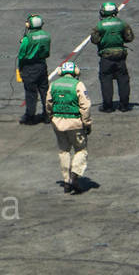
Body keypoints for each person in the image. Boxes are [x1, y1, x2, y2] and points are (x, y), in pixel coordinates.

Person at [45, 61, 93, 194]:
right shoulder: (78, 85)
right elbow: (85, 106)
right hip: (75, 123)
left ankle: (66, 181)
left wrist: (51, 117)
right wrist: (87, 123)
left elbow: (48, 103)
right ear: (75, 72)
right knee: (81, 150)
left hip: (58, 123)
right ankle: (75, 173)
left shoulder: (53, 85)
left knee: (63, 151)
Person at [89, 1, 133, 112]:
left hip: (106, 57)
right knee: (123, 80)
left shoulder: (100, 26)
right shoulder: (122, 24)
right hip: (120, 56)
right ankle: (124, 105)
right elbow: (129, 38)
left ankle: (108, 106)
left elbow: (94, 40)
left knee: (106, 80)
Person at [17, 14, 50, 125]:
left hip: (29, 68)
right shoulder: (46, 35)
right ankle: (47, 115)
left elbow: (21, 55)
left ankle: (30, 116)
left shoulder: (27, 39)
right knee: (44, 91)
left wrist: (20, 68)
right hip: (41, 65)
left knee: (31, 93)